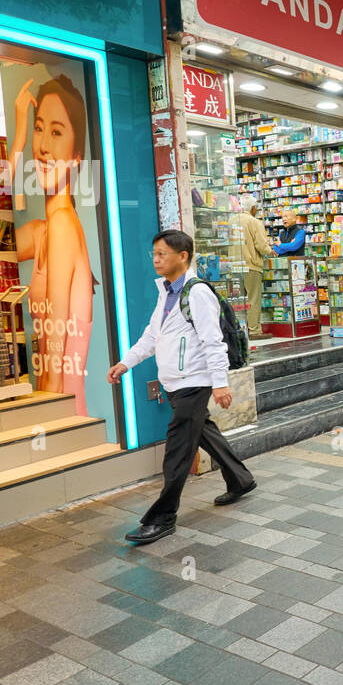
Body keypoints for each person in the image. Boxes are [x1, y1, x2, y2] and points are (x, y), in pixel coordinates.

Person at [108, 230, 256, 545]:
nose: (156, 260)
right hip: (175, 382)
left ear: (183, 256)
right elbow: (152, 335)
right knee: (203, 431)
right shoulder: (166, 292)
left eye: (162, 253)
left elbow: (212, 341)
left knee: (177, 449)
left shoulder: (196, 292)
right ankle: (240, 480)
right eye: (154, 254)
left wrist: (219, 383)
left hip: (194, 382)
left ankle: (162, 518)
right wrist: (126, 363)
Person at [13, 74, 95, 416]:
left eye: (57, 132)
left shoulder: (62, 226)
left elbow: (58, 344)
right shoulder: (44, 229)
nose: (43, 146)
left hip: (61, 404)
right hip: (56, 399)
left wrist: (49, 415)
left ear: (76, 156)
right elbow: (2, 242)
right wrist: (18, 137)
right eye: (38, 128)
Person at [237, 197, 272, 335]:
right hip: (250, 265)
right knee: (253, 299)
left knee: (238, 300)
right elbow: (261, 246)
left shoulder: (232, 220)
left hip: (233, 266)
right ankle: (254, 330)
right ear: (253, 208)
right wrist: (271, 251)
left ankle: (240, 329)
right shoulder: (253, 222)